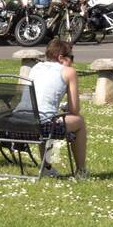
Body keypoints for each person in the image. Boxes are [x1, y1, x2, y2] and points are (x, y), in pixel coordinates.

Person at [27, 38, 88, 178]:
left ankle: (47, 168)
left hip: (23, 122)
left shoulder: (35, 67)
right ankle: (81, 170)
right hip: (44, 125)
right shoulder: (68, 71)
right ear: (61, 58)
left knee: (49, 116)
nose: (73, 61)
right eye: (71, 57)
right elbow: (74, 110)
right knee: (79, 121)